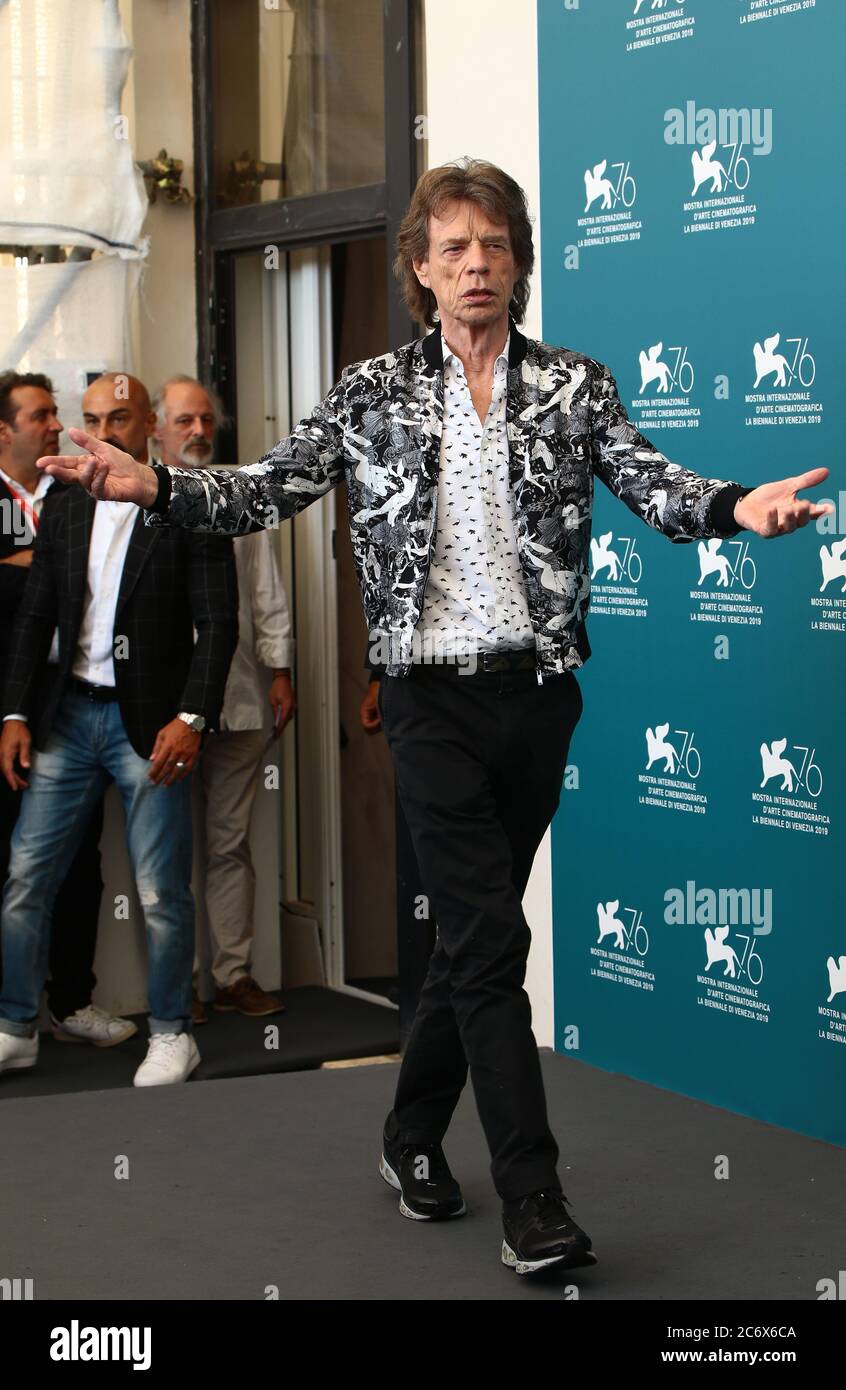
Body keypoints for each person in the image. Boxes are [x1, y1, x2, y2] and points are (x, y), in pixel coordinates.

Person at [38, 159, 833, 1270]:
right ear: (420, 268)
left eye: (495, 246)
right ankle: (534, 1198)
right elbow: (268, 486)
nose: (476, 264)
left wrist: (735, 507)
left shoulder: (577, 387)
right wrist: (157, 486)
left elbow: (654, 486)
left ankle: (410, 1131)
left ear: (519, 264)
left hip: (538, 702)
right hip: (426, 702)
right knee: (494, 945)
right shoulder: (370, 391)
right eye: (454, 247)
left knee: (473, 943)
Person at [0, 373, 239, 1086]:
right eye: (93, 418)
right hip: (68, 718)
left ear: (149, 428)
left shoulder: (186, 505)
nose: (105, 432)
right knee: (24, 876)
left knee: (162, 891)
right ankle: (15, 1025)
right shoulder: (69, 510)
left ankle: (171, 1034)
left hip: (153, 727)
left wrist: (192, 717)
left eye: (122, 419)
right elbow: (36, 617)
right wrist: (14, 712)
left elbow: (219, 625)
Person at [154, 375, 295, 1021]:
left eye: (206, 420)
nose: (198, 433)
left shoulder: (237, 493)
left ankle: (233, 975)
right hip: (162, 704)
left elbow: (266, 590)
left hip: (238, 695)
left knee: (229, 843)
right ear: (159, 427)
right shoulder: (138, 493)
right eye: (184, 420)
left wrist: (281, 670)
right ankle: (177, 984)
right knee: (166, 847)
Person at [0, 370, 128, 1047]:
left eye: (56, 413)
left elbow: (95, 580)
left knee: (78, 861)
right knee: (13, 866)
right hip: (8, 708)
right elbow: (47, 586)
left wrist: (33, 567)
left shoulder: (79, 487)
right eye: (38, 415)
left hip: (65, 708)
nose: (54, 426)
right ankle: (8, 1017)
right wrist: (33, 570)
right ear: (3, 429)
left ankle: (70, 1001)